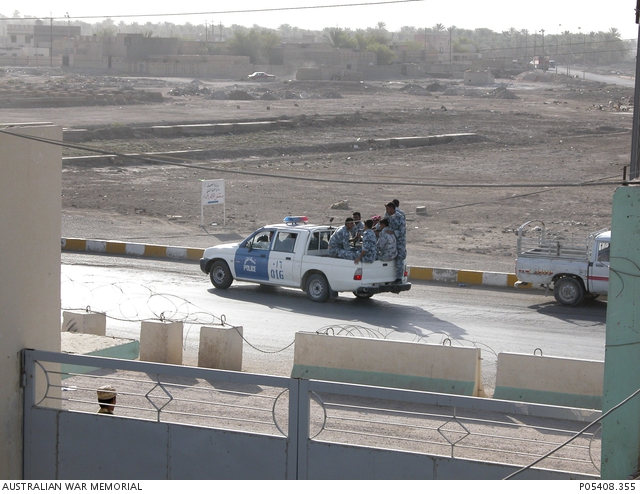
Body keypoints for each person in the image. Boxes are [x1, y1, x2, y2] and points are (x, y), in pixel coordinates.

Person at [385, 201, 406, 283]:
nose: (386, 210)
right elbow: (385, 223)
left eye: (387, 209)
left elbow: (402, 231)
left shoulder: (399, 217)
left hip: (399, 241)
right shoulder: (388, 215)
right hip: (390, 241)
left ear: (391, 208)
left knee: (399, 258)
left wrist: (393, 232)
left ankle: (399, 278)